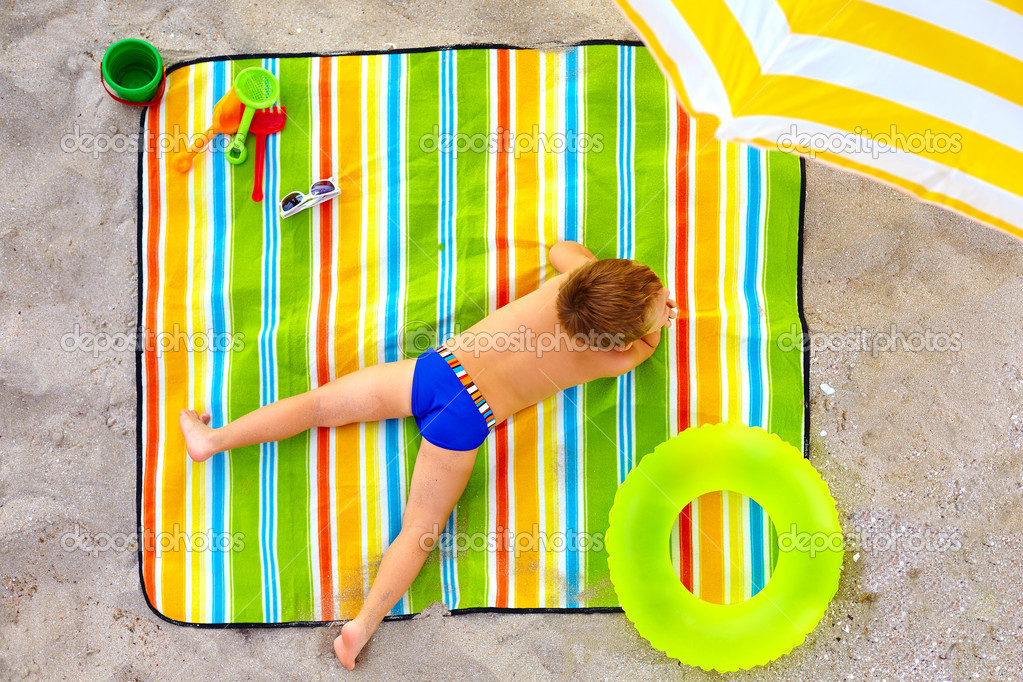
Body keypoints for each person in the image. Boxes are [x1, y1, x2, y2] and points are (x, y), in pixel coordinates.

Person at [178, 239, 676, 669]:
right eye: (660, 298)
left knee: (320, 405)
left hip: (439, 372)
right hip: (469, 418)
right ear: (619, 337)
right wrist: (654, 324)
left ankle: (212, 440)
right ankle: (360, 626)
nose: (665, 300)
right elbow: (646, 346)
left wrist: (601, 275)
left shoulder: (565, 284)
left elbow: (560, 251)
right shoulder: (614, 357)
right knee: (420, 528)